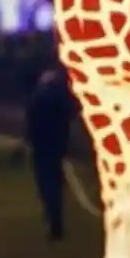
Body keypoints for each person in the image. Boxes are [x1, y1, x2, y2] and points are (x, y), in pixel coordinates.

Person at [26, 66, 77, 240]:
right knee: (56, 182)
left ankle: (51, 217)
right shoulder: (61, 97)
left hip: (42, 145)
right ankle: (55, 218)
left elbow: (31, 118)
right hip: (58, 144)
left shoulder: (38, 97)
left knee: (46, 183)